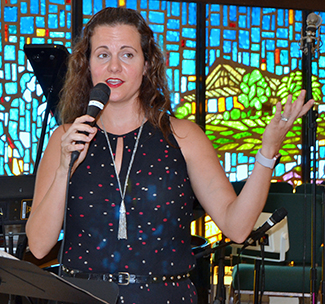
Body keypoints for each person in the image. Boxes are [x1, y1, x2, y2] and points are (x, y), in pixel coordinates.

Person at [25, 7, 315, 304]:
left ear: (147, 63)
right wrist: (64, 168)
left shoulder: (183, 136)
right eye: (102, 55)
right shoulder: (64, 138)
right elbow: (37, 245)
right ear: (86, 65)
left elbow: (237, 227)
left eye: (127, 54)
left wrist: (267, 154)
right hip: (83, 296)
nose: (114, 67)